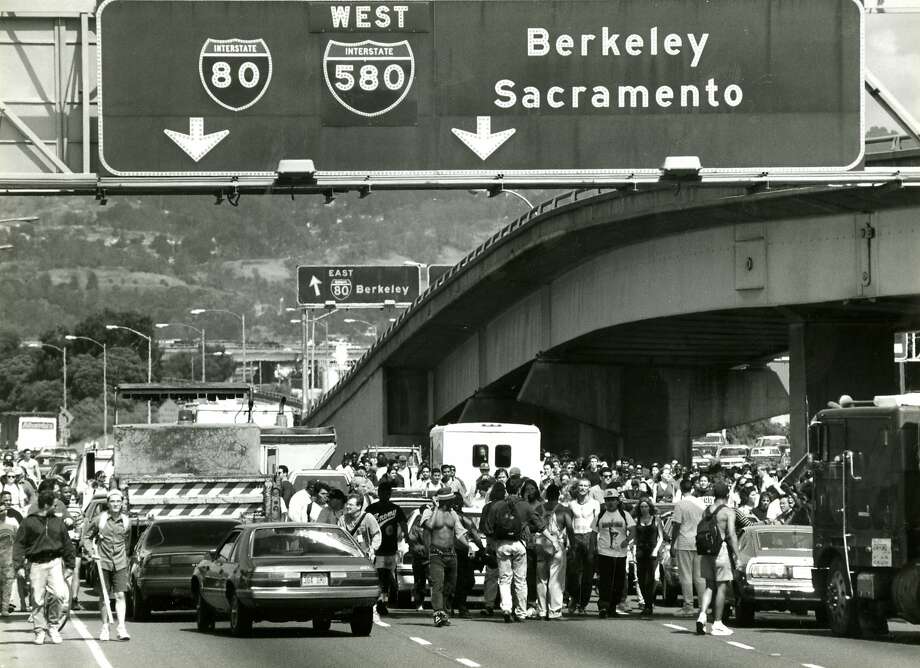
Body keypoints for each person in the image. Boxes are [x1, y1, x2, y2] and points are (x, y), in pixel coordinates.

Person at [481, 477, 551, 623]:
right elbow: (540, 525)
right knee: (520, 580)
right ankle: (520, 611)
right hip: (520, 545)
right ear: (520, 489)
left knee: (505, 579)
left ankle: (506, 608)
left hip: (502, 546)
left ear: (507, 489)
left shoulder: (497, 506)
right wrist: (553, 540)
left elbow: (487, 528)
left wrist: (492, 544)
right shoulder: (525, 506)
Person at [13, 490, 75, 645]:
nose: (57, 507)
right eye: (54, 504)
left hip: (55, 562)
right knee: (37, 599)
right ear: (46, 505)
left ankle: (53, 627)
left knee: (59, 595)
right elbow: (19, 545)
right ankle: (39, 631)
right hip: (36, 564)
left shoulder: (57, 522)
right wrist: (18, 566)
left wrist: (70, 565)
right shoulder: (28, 522)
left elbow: (67, 544)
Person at [83, 489, 131, 641]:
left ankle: (121, 628)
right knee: (104, 596)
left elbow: (127, 542)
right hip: (102, 562)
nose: (116, 504)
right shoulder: (100, 520)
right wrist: (92, 553)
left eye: (118, 501)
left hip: (120, 562)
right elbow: (86, 537)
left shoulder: (126, 521)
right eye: (113, 501)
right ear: (108, 504)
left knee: (120, 595)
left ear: (122, 503)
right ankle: (105, 627)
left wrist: (125, 558)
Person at [696, 481, 739, 637]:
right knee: (722, 587)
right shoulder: (728, 512)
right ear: (727, 495)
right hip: (720, 552)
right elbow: (732, 534)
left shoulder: (706, 511)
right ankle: (718, 623)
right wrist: (737, 555)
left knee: (709, 585)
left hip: (706, 553)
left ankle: (702, 614)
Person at [421, 488, 467, 627]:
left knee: (450, 586)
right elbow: (429, 525)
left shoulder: (452, 513)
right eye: (451, 499)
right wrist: (436, 507)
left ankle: (444, 612)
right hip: (436, 554)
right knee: (437, 585)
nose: (454, 501)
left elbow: (459, 532)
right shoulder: (430, 512)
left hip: (451, 554)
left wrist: (468, 546)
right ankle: (438, 613)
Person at [364, 481, 408, 616]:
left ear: (390, 494)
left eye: (387, 492)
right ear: (378, 493)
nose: (385, 495)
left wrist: (407, 538)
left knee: (387, 577)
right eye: (382, 492)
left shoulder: (396, 509)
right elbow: (364, 526)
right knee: (378, 576)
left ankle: (384, 601)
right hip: (376, 549)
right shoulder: (371, 509)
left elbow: (403, 525)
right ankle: (378, 602)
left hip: (390, 549)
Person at [535, 483, 573, 620]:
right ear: (558, 495)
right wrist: (572, 546)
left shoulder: (539, 509)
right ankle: (554, 611)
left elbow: (533, 526)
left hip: (540, 544)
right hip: (556, 545)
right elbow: (570, 529)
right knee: (556, 579)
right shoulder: (564, 510)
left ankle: (542, 610)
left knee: (541, 579)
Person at [595, 490, 635, 618]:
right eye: (608, 500)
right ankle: (603, 607)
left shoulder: (624, 515)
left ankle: (612, 607)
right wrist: (593, 549)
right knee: (605, 581)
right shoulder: (601, 515)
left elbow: (633, 530)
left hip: (620, 554)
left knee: (618, 582)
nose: (611, 502)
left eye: (613, 499)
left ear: (617, 501)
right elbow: (593, 532)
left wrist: (627, 541)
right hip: (604, 552)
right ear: (605, 502)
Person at [670, 477, 706, 617]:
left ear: (681, 490)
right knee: (699, 576)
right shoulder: (700, 503)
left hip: (684, 541)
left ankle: (688, 606)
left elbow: (676, 525)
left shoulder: (680, 504)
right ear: (692, 489)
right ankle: (703, 606)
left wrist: (673, 543)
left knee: (685, 575)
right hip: (698, 541)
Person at [567, 477, 600, 615]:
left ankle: (582, 603)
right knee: (573, 573)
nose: (582, 488)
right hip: (575, 537)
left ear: (589, 488)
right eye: (580, 485)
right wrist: (569, 541)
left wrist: (596, 542)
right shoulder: (571, 504)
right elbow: (568, 524)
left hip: (589, 537)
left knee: (588, 574)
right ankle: (574, 597)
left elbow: (597, 523)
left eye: (586, 486)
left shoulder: (595, 503)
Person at [477, 482, 505, 617]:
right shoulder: (508, 506)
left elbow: (483, 527)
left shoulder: (488, 507)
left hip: (492, 544)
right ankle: (508, 605)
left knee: (491, 576)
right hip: (507, 543)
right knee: (507, 576)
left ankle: (489, 604)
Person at [633, 497, 663, 618]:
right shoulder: (637, 520)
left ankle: (648, 606)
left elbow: (660, 537)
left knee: (650, 578)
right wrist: (634, 550)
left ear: (650, 507)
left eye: (646, 506)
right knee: (640, 578)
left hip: (652, 551)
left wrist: (656, 550)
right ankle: (646, 602)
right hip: (640, 551)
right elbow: (635, 537)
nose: (644, 509)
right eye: (641, 507)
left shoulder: (656, 520)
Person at [338, 494, 381, 561]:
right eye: (347, 504)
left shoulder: (368, 517)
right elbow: (338, 536)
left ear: (359, 506)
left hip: (365, 556)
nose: (347, 506)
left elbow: (377, 535)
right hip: (348, 556)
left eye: (351, 505)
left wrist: (372, 550)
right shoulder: (342, 519)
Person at [0, 495, 20, 617]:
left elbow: (18, 541)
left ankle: (4, 608)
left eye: (4, 510)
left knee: (8, 584)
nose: (3, 512)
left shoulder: (12, 525)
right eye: (1, 510)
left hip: (8, 559)